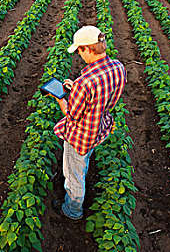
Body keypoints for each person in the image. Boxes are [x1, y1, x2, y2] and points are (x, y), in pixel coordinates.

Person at [51, 25, 126, 220]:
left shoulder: (86, 82)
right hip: (99, 127)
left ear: (87, 49)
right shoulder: (118, 67)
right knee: (83, 162)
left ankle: (73, 209)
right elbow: (101, 92)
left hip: (80, 136)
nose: (78, 54)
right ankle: (77, 183)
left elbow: (72, 115)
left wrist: (61, 98)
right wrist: (75, 88)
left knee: (74, 175)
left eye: (79, 50)